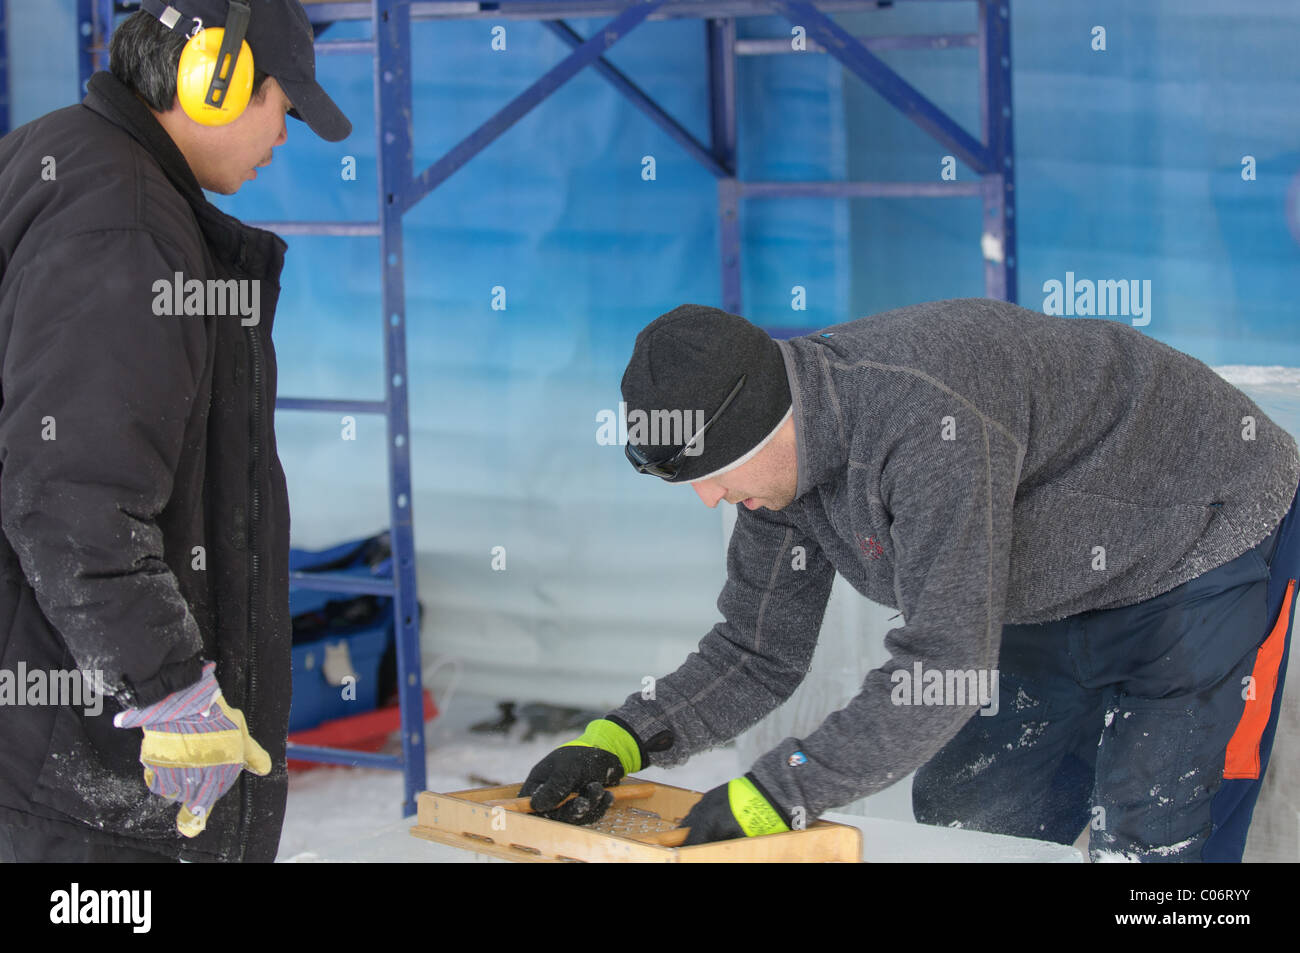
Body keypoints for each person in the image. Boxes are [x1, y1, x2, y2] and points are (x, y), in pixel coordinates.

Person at [520, 299, 1299, 862]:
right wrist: (620, 740)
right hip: (1058, 577)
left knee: (1153, 838)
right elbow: (757, 650)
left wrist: (783, 789)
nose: (710, 497)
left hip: (1204, 539)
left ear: (766, 423)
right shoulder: (777, 477)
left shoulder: (927, 425)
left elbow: (947, 667)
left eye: (717, 473)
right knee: (974, 812)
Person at [0, 0, 351, 862]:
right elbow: (72, 493)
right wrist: (166, 687)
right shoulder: (126, 225)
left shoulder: (63, 158)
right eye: (285, 102)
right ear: (218, 82)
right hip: (71, 781)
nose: (286, 133)